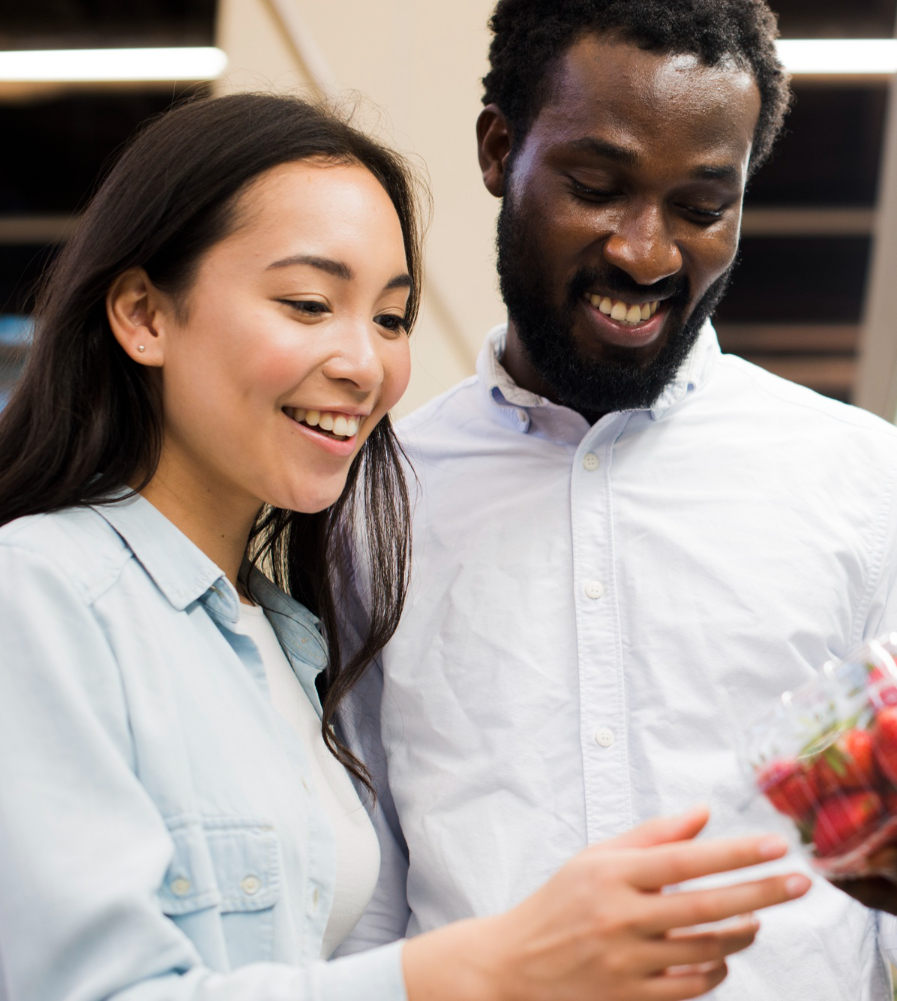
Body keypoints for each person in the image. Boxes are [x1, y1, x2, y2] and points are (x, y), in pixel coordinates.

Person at [343, 2, 897, 998]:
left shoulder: (866, 480)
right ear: (499, 149)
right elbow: (364, 899)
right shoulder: (374, 494)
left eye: (702, 206)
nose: (647, 255)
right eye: (598, 187)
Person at [0, 92, 809, 1001]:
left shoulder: (289, 641)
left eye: (390, 319)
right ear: (145, 314)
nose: (365, 364)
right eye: (309, 303)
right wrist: (483, 966)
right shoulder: (40, 592)